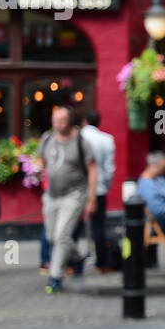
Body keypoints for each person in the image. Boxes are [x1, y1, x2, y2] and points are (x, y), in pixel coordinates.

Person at [39, 105, 97, 294]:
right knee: (51, 237)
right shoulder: (47, 138)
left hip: (74, 195)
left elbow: (92, 169)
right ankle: (78, 255)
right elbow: (43, 162)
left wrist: (92, 198)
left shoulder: (81, 142)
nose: (57, 124)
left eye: (61, 120)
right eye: (55, 120)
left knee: (62, 236)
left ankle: (55, 277)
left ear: (70, 121)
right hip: (51, 195)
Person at [79, 111, 116, 273]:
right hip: (99, 188)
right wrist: (105, 186)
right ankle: (101, 263)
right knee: (99, 226)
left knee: (72, 225)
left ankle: (71, 264)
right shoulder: (107, 139)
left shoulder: (77, 137)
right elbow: (109, 168)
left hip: (79, 188)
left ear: (84, 121)